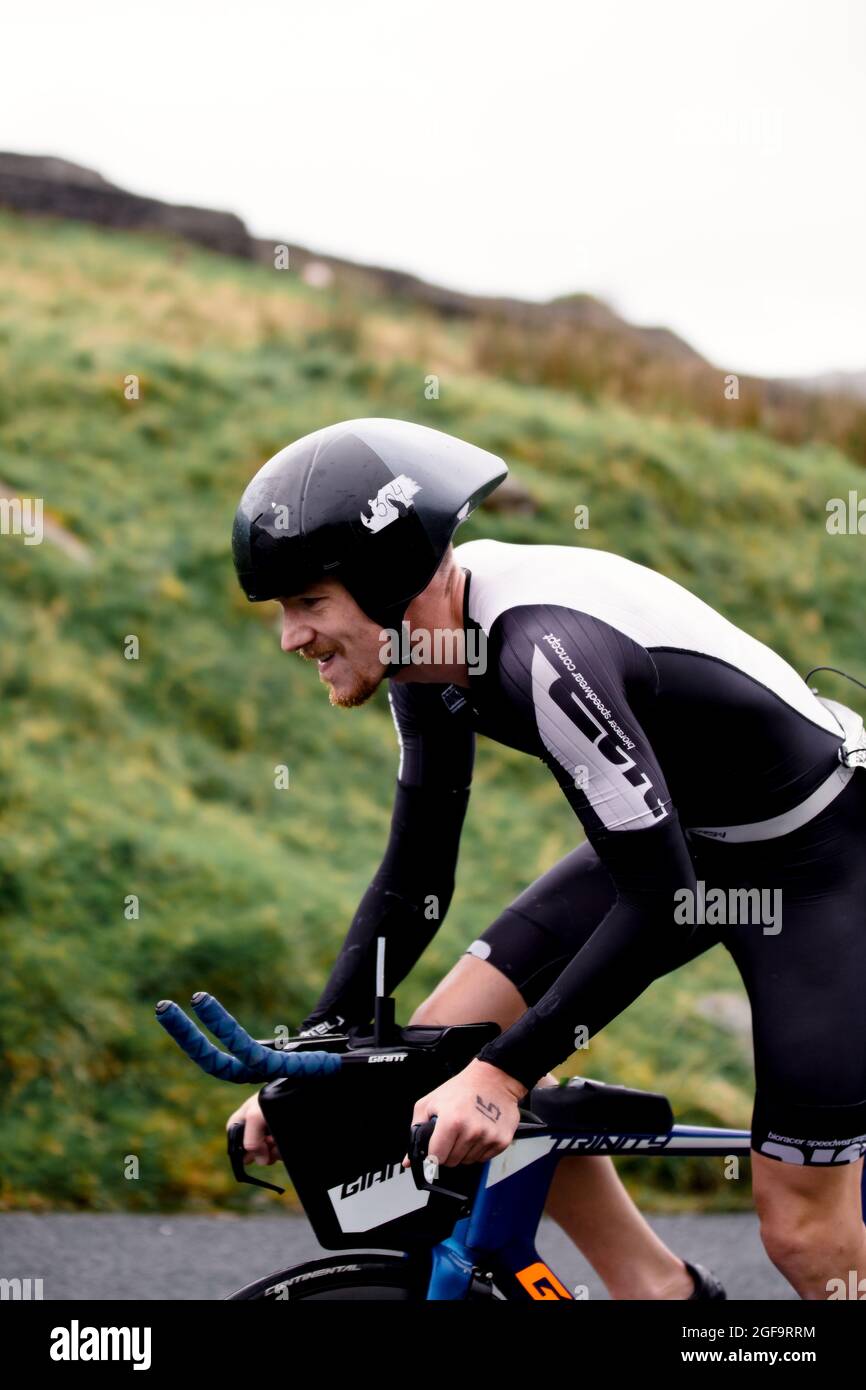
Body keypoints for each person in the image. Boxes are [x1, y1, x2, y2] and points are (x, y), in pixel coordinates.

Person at [226, 417, 866, 1300]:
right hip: (682, 845)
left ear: (385, 583)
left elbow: (658, 907)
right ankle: (661, 1292)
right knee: (449, 1052)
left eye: (307, 605)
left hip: (821, 864)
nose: (291, 637)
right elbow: (415, 875)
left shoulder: (543, 655)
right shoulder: (429, 648)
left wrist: (505, 1073)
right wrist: (313, 1060)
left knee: (803, 1232)